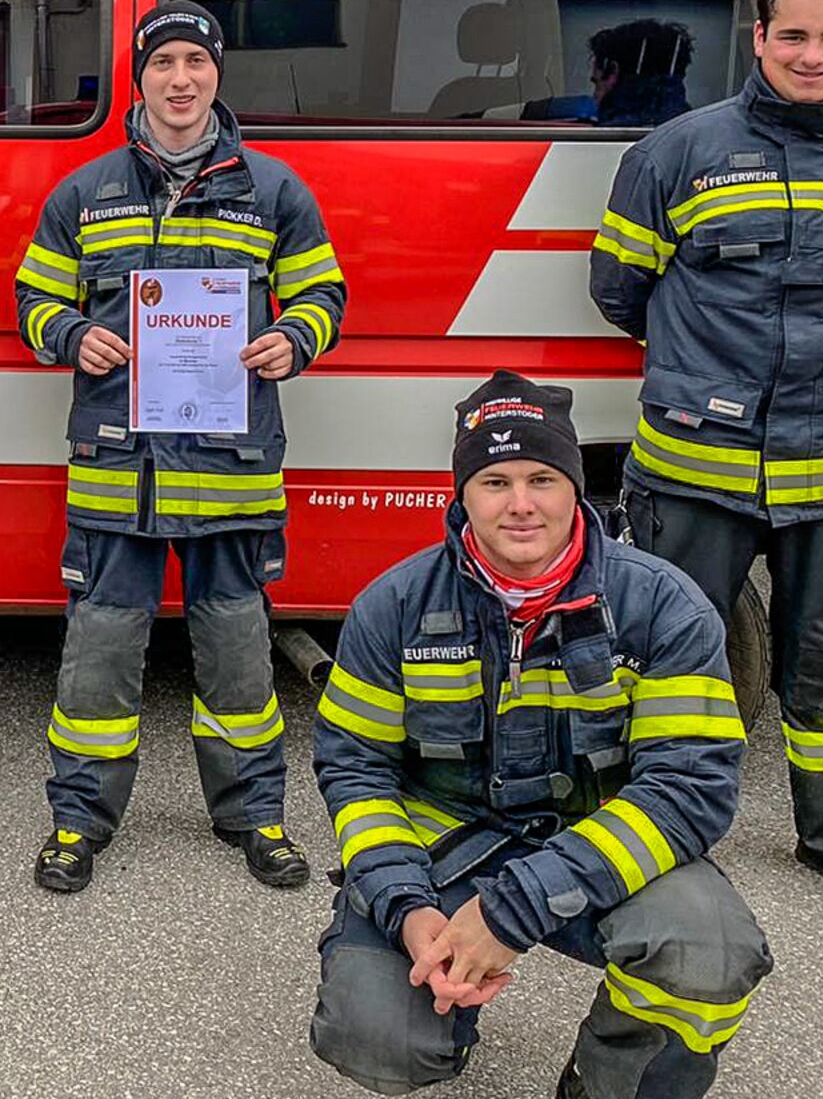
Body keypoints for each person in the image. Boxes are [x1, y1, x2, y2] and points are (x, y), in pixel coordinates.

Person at [591, 0, 823, 924]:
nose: (810, 54)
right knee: (670, 656)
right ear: (757, 37)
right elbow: (618, 288)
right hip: (697, 459)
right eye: (791, 34)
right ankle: (657, 838)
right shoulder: (679, 151)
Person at [309, 371, 770, 1099]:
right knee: (376, 1038)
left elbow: (687, 792)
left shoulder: (661, 605)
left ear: (575, 490)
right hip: (442, 855)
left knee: (705, 954)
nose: (521, 504)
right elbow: (354, 767)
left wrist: (509, 912)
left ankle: (604, 1083)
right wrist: (405, 906)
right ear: (461, 495)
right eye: (493, 481)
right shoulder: (392, 606)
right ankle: (435, 1017)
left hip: (604, 853)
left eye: (542, 478)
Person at [13, 0, 347, 893]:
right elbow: (33, 302)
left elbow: (324, 296)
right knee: (99, 660)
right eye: (163, 65)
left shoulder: (273, 190)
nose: (181, 80)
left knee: (238, 655)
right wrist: (69, 334)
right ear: (141, 80)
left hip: (230, 474)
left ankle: (256, 818)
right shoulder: (85, 194)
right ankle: (78, 824)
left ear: (216, 75)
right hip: (119, 472)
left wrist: (297, 338)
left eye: (195, 64)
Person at [588, 18, 693, 128]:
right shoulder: (698, 132)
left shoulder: (599, 139)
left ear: (613, 70)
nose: (595, 97)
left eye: (597, 85)